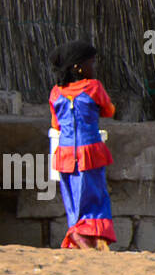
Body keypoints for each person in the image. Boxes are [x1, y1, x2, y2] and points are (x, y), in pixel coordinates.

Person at [49, 41, 115, 250]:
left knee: (73, 199)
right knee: (95, 197)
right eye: (92, 63)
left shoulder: (56, 93)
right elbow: (109, 110)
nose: (94, 67)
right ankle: (88, 237)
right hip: (90, 152)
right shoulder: (93, 88)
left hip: (65, 155)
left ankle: (77, 233)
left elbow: (55, 124)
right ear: (79, 67)